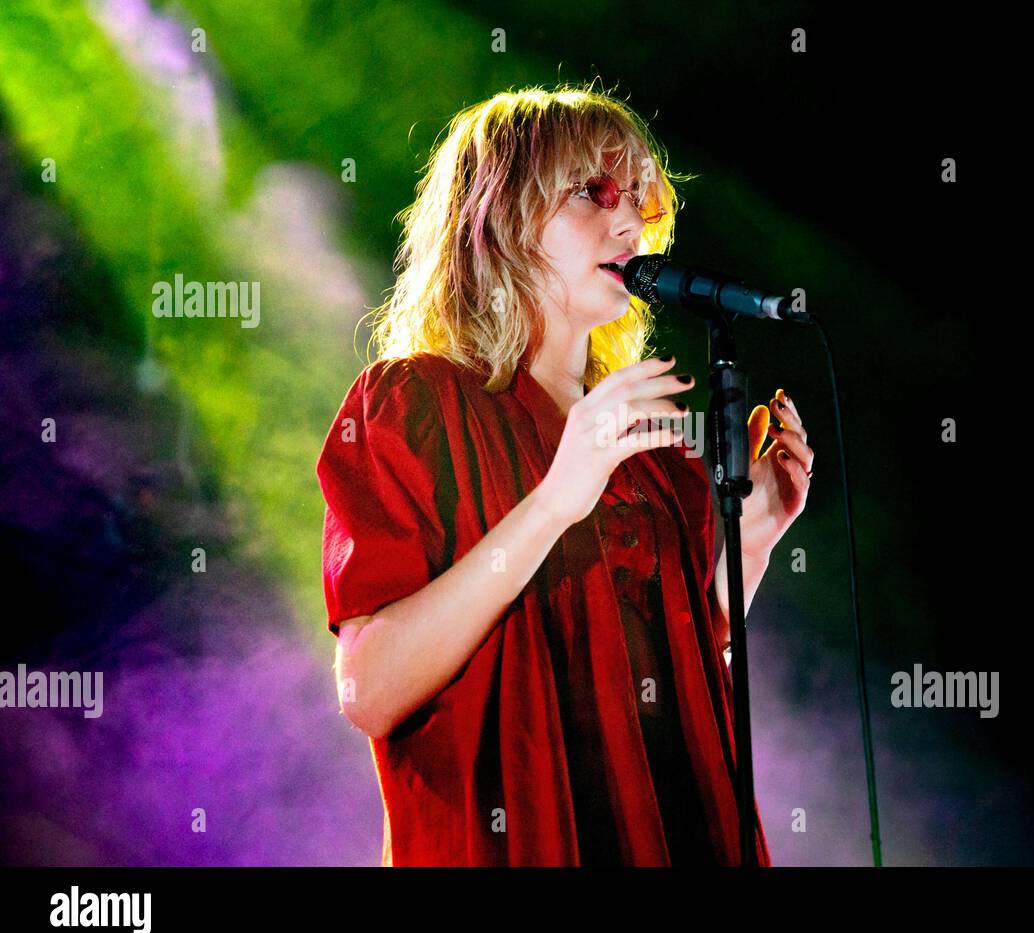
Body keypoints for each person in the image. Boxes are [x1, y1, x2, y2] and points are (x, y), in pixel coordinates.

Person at [315, 84, 814, 866]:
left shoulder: (648, 447)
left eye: (643, 202)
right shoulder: (416, 405)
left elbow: (680, 669)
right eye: (595, 192)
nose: (631, 223)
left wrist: (753, 538)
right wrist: (553, 503)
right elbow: (370, 690)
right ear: (501, 216)